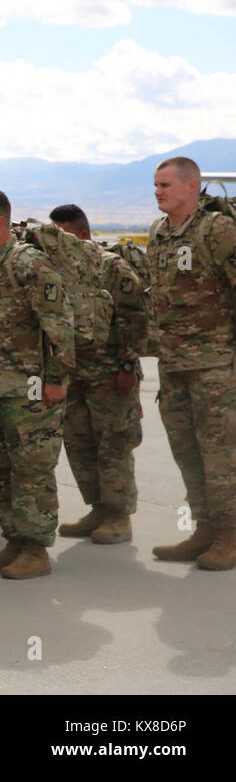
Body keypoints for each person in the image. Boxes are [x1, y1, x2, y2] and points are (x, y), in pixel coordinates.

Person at [0, 188, 74, 579]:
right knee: (0, 469)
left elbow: (59, 326)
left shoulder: (29, 263)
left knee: (31, 470)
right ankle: (14, 541)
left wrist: (56, 382)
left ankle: (36, 548)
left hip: (27, 389)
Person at [148, 157, 236, 569]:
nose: (158, 191)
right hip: (175, 364)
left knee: (221, 455)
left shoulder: (216, 229)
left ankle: (230, 534)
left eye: (165, 184)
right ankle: (205, 528)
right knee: (187, 451)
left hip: (216, 364)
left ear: (192, 186)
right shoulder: (159, 233)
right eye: (155, 185)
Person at [49, 204, 146, 545]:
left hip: (109, 372)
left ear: (83, 234)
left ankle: (119, 516)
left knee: (114, 444)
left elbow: (134, 317)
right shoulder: (57, 271)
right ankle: (98, 508)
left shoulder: (111, 267)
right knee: (79, 442)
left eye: (64, 236)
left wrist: (127, 364)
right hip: (74, 373)